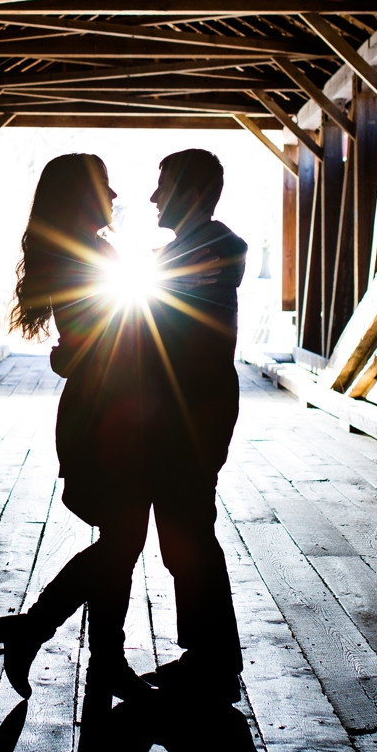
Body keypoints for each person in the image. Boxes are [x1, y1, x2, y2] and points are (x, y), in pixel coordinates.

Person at [0, 154, 155, 702]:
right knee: (124, 539)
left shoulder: (73, 251)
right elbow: (106, 337)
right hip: (108, 414)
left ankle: (101, 659)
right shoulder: (88, 253)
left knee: (121, 538)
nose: (113, 196)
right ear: (81, 196)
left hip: (99, 407)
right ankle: (41, 632)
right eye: (104, 187)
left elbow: (80, 345)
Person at [136, 149, 246, 700]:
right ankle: (208, 656)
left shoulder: (208, 250)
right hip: (189, 406)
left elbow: (156, 327)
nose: (155, 197)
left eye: (165, 186)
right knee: (185, 531)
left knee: (187, 534)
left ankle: (214, 662)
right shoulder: (199, 249)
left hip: (192, 411)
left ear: (195, 193)